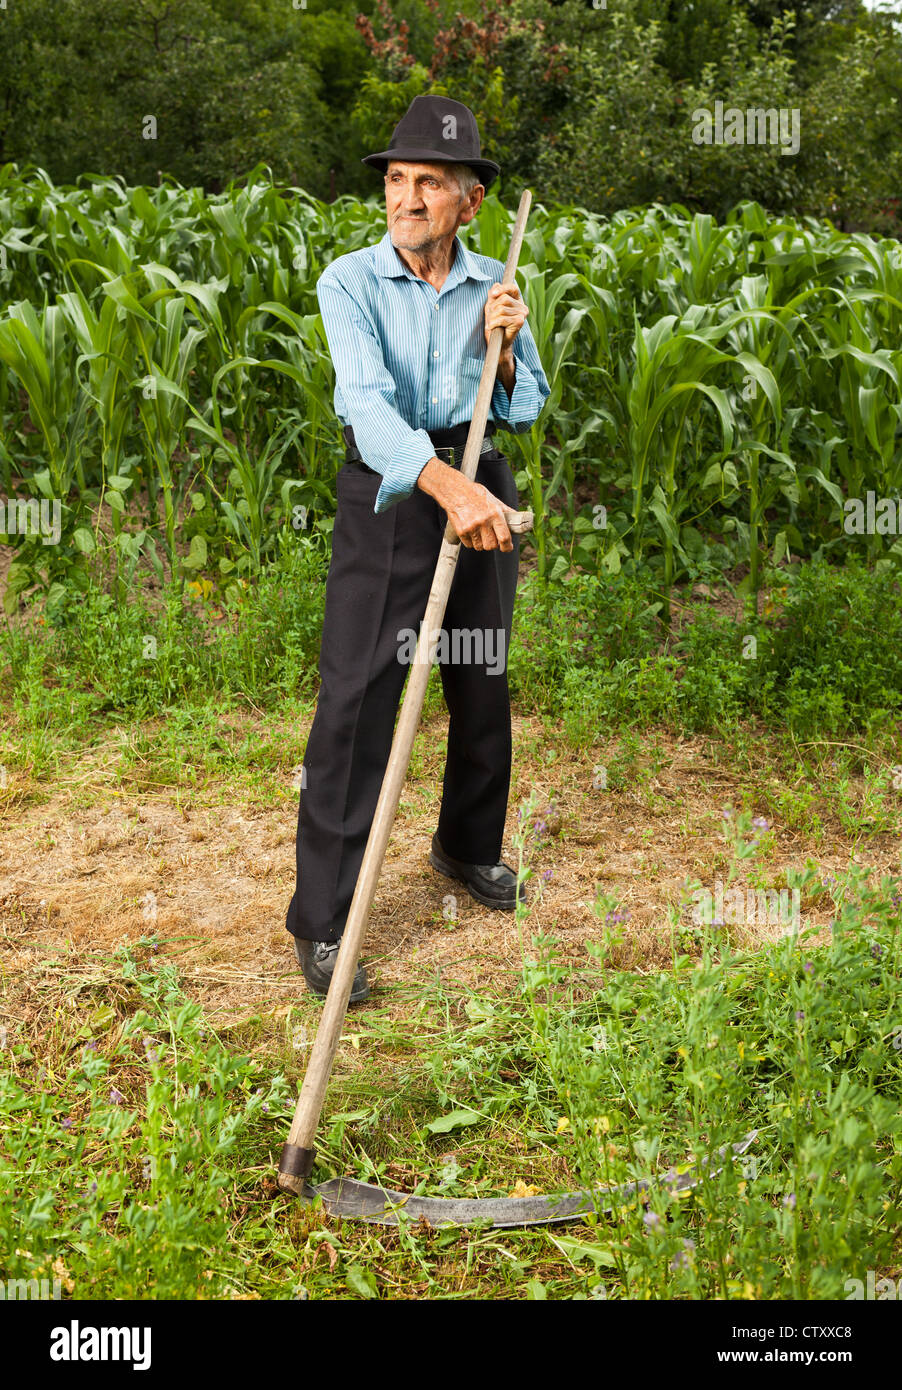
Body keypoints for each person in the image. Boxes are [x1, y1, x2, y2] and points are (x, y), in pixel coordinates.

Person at [285, 95, 550, 1002]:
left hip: (481, 473)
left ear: (470, 201)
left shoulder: (497, 284)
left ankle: (466, 847)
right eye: (397, 180)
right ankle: (322, 921)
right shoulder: (349, 282)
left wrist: (506, 355)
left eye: (429, 183)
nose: (406, 197)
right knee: (358, 695)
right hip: (393, 493)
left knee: (482, 676)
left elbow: (526, 406)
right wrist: (450, 491)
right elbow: (365, 402)